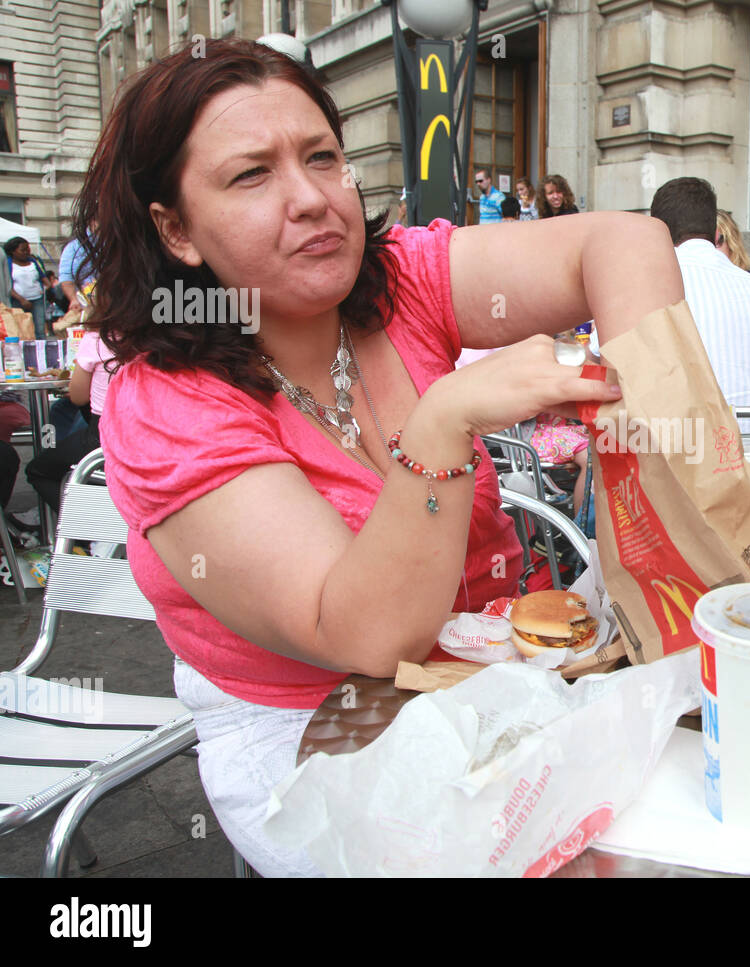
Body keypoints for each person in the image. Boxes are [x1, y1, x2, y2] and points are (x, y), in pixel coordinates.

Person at [80, 38, 684, 876]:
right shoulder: (166, 402)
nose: (312, 199)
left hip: (492, 677)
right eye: (251, 175)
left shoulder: (399, 279)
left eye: (322, 157)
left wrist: (654, 441)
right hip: (309, 730)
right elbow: (366, 632)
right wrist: (441, 424)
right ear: (175, 230)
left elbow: (626, 243)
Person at [650, 177, 750, 433]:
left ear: (656, 233)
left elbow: (604, 365)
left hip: (704, 461)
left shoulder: (651, 283)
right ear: (716, 234)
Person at [24, 327, 113, 516]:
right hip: (152, 435)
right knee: (61, 411)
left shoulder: (98, 337)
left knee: (38, 471)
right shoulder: (161, 338)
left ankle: (90, 532)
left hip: (105, 437)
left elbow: (78, 397)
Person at [5, 236, 53, 338]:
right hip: (17, 301)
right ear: (13, 251)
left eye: (28, 249)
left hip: (37, 300)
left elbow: (44, 278)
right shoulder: (8, 263)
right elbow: (8, 285)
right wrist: (22, 300)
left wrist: (45, 288)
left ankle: (41, 349)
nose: (26, 252)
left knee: (40, 328)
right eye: (23, 250)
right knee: (21, 328)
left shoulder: (33, 261)